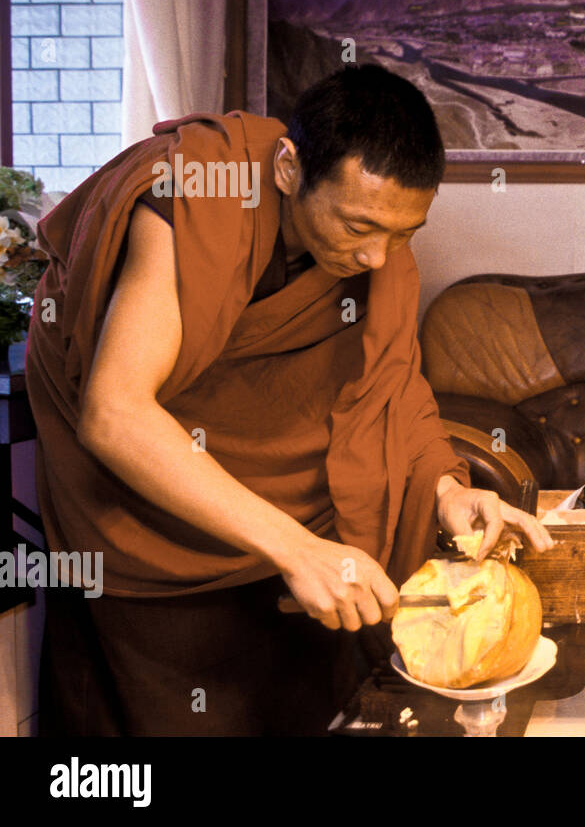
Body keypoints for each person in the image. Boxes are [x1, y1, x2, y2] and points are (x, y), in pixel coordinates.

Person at [26, 64, 555, 735]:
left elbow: (391, 387)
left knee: (298, 703)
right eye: (359, 224)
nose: (377, 257)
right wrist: (297, 549)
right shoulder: (196, 193)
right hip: (149, 511)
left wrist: (448, 492)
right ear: (287, 167)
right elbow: (116, 412)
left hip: (286, 537)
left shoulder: (379, 251)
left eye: (403, 232)